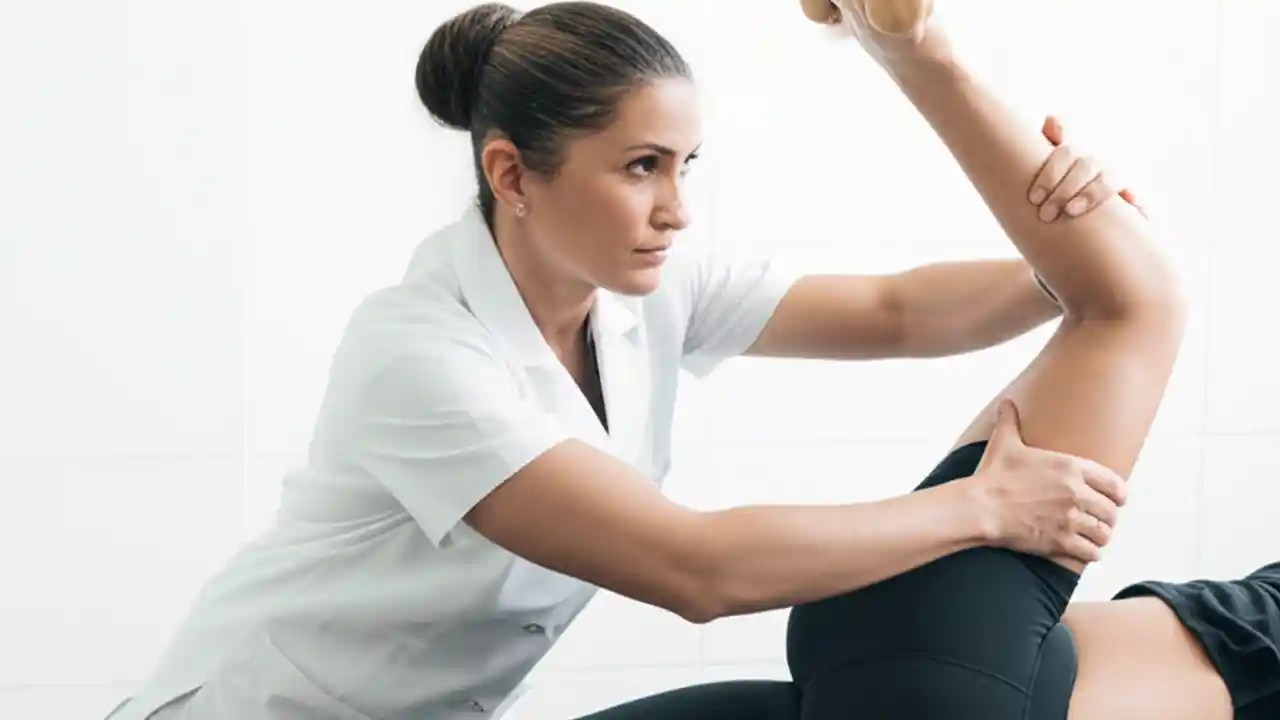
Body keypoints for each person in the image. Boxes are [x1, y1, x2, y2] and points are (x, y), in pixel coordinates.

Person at [103, 2, 1276, 719]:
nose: (673, 207)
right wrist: (981, 511)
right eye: (640, 167)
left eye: (686, 166)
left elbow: (893, 311)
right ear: (512, 175)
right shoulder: (419, 357)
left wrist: (1071, 250)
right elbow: (692, 570)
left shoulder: (638, 289)